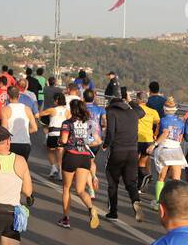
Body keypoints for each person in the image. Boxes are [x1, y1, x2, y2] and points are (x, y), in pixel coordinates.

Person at [56, 100, 102, 230]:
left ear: (72, 109)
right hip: (85, 157)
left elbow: (64, 140)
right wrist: (84, 144)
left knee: (66, 188)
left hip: (71, 156)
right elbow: (98, 141)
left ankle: (65, 219)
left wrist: (60, 141)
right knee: (81, 190)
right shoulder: (89, 123)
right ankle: (91, 208)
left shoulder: (67, 123)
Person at [101, 89, 144, 222]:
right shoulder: (133, 112)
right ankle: (135, 201)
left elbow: (110, 132)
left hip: (117, 151)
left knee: (113, 182)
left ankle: (113, 212)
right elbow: (142, 112)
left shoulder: (111, 112)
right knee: (131, 182)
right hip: (132, 152)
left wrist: (105, 145)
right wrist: (130, 100)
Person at [150, 97, 188, 203]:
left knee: (161, 177)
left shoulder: (162, 121)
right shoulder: (181, 122)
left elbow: (160, 134)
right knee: (176, 179)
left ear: (164, 109)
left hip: (165, 149)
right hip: (177, 150)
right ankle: (174, 201)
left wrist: (154, 144)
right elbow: (180, 138)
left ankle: (158, 201)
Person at [0, 84, 38, 161]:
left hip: (11, 143)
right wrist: (24, 131)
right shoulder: (27, 109)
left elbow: (4, 130)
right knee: (21, 168)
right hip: (25, 144)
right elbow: (35, 128)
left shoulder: (5, 109)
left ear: (8, 96)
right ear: (19, 96)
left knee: (10, 168)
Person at [134, 89, 160, 190]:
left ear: (137, 99)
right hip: (148, 140)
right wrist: (156, 134)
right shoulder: (153, 112)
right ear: (146, 100)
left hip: (136, 139)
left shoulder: (134, 110)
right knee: (142, 163)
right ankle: (142, 183)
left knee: (134, 162)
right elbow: (158, 123)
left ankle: (137, 181)